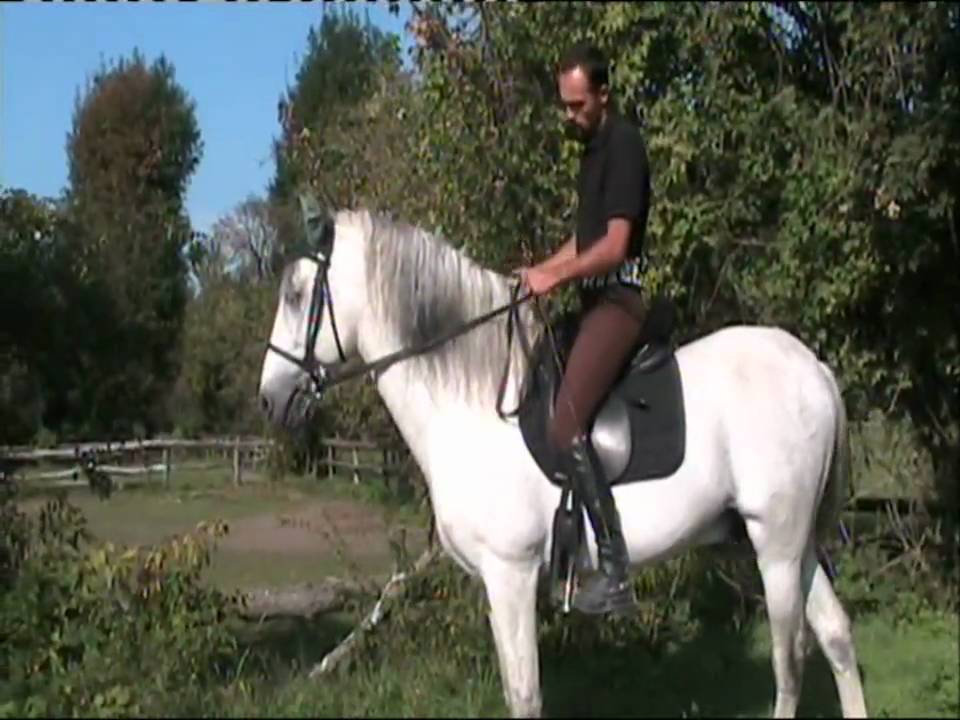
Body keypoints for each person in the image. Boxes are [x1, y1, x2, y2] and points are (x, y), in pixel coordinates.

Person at [517, 43, 652, 616]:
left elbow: (614, 246)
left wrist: (557, 276)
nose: (569, 115)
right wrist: (538, 273)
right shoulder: (592, 153)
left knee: (566, 421)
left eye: (577, 105)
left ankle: (616, 571)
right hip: (592, 301)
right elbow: (583, 240)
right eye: (564, 105)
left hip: (620, 303)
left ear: (603, 96)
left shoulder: (624, 146)